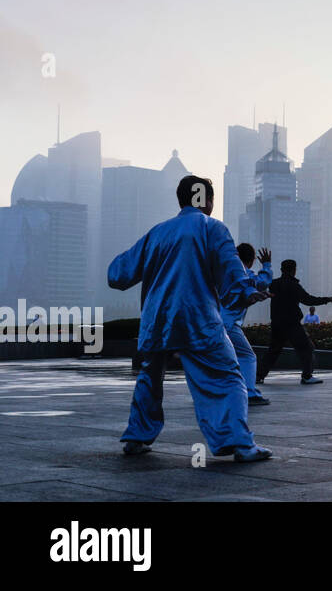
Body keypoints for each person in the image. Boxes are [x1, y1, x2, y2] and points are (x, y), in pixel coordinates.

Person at [109, 174, 272, 462]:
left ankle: (136, 437)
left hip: (156, 322)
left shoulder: (157, 233)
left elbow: (117, 274)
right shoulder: (213, 229)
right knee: (228, 376)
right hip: (197, 319)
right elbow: (232, 274)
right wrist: (249, 291)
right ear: (207, 200)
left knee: (149, 377)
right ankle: (240, 444)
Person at [256, 260, 332, 386]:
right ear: (294, 270)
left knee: (273, 350)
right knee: (307, 348)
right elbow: (308, 300)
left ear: (281, 269)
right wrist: (327, 299)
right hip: (292, 323)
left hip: (277, 323)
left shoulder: (274, 284)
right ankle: (307, 376)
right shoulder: (294, 285)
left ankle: (259, 376)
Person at [223, 243, 273, 406]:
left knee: (225, 358)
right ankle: (250, 393)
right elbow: (262, 281)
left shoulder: (225, 273)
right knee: (247, 356)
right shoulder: (245, 274)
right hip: (229, 324)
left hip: (214, 321)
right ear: (251, 261)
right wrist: (266, 265)